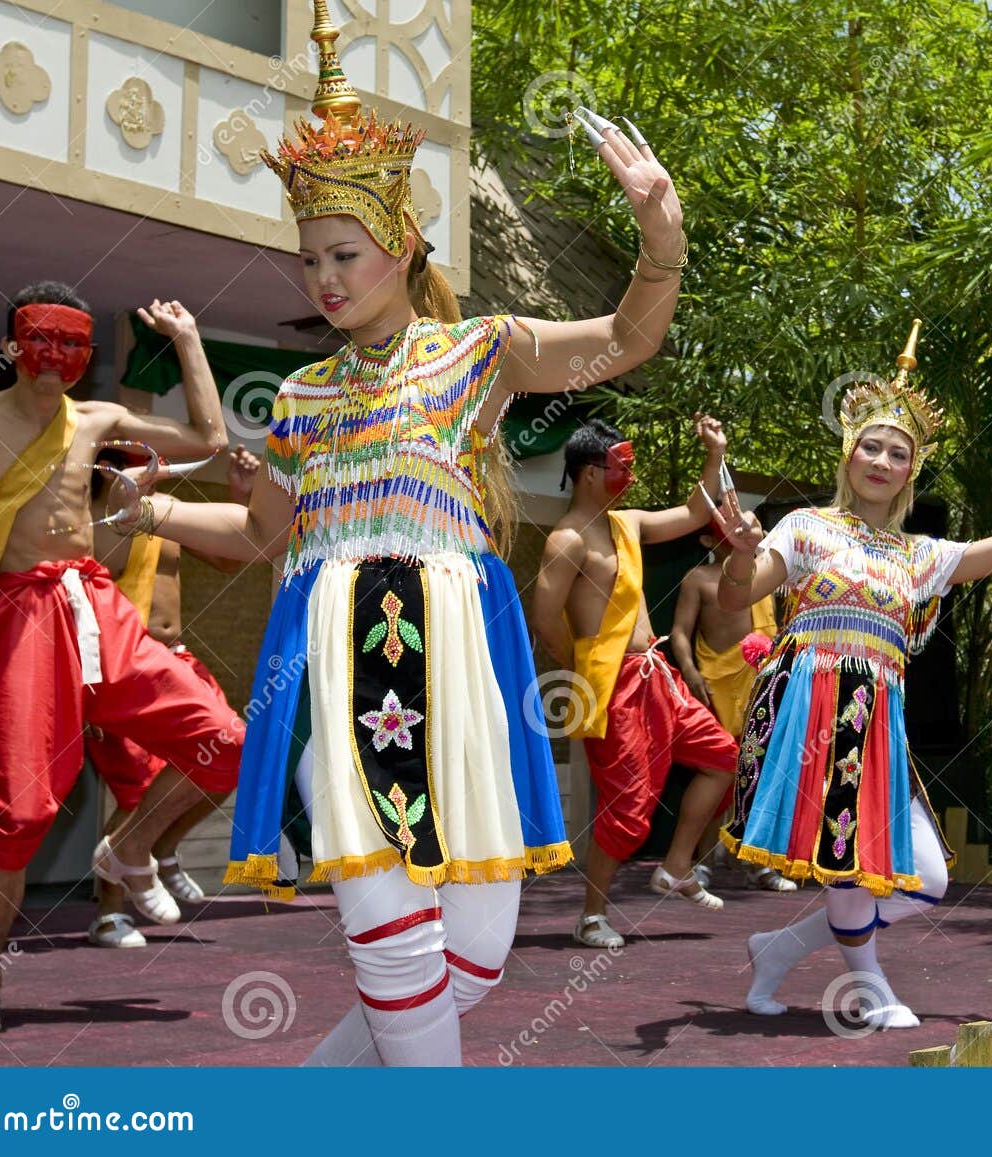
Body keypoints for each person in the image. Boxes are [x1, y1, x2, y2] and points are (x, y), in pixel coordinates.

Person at [133, 3, 686, 1065]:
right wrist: (147, 508)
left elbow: (622, 340)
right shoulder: (297, 395)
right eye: (308, 261)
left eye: (343, 252)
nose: (325, 277)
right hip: (336, 650)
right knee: (391, 943)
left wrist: (658, 235)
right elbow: (267, 533)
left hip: (460, 656)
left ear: (397, 242)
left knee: (473, 953)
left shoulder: (477, 353)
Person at [713, 321, 992, 1027]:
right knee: (847, 858)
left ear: (910, 470)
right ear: (848, 450)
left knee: (927, 876)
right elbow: (738, 594)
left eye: (898, 452)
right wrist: (740, 553)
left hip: (877, 726)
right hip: (815, 709)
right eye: (871, 444)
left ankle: (777, 948)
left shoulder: (920, 554)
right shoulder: (805, 526)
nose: (882, 459)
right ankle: (870, 986)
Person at [0, 283, 242, 1034]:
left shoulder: (96, 418)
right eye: (40, 340)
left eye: (71, 345)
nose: (54, 358)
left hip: (100, 608)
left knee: (226, 739)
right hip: (25, 619)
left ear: (87, 357)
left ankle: (126, 847)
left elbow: (207, 439)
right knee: (21, 812)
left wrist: (189, 341)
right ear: (10, 346)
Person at [530, 416, 742, 949]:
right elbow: (544, 616)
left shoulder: (627, 523)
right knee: (627, 806)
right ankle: (591, 915)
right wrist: (582, 667)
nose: (627, 473)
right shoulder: (566, 540)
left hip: (657, 676)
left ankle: (676, 865)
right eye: (618, 465)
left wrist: (714, 453)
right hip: (615, 684)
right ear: (586, 473)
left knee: (723, 758)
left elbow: (697, 512)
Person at [83, 445, 261, 948]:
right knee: (137, 789)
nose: (152, 467)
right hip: (122, 668)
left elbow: (228, 561)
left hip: (176, 659)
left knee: (228, 756)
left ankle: (161, 849)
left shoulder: (164, 513)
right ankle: (110, 913)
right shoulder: (99, 524)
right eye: (135, 462)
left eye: (151, 459)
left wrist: (241, 495)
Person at [668, 520, 794, 892]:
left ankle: (756, 860)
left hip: (761, 680)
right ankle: (703, 859)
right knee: (722, 772)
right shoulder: (698, 578)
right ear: (709, 538)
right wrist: (689, 670)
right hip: (715, 685)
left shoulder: (766, 576)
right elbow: (679, 631)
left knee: (760, 775)